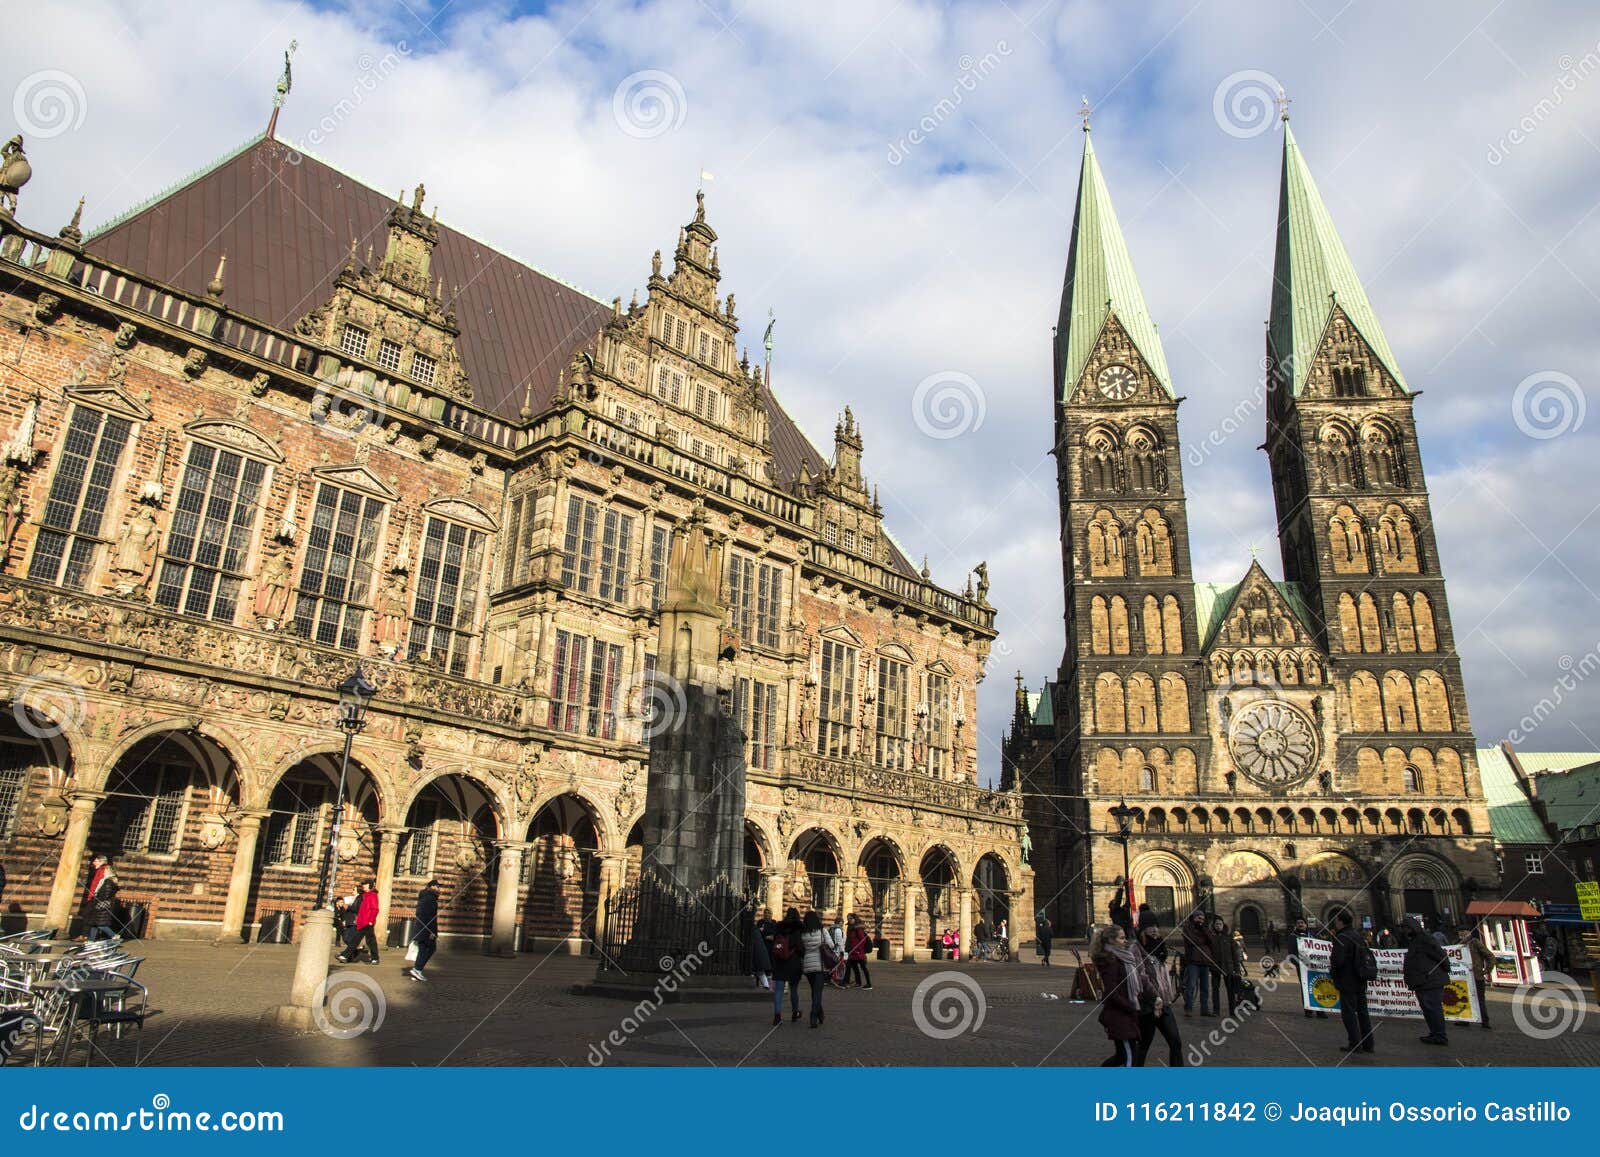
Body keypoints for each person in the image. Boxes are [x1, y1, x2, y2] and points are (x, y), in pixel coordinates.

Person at [1092, 925, 1142, 1066]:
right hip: (1119, 1014)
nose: (1125, 941)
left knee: (1121, 1056)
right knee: (1129, 1058)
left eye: (1125, 937)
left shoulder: (1124, 957)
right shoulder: (1111, 961)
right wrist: (1130, 1006)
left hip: (1125, 1013)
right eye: (1121, 938)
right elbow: (1111, 991)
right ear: (1110, 940)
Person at [1133, 926, 1183, 1067]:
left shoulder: (1161, 947)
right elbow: (1141, 977)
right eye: (1150, 927)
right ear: (1143, 930)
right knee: (1143, 1045)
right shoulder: (1137, 950)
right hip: (1147, 1004)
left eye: (1156, 927)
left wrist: (1164, 998)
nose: (1155, 930)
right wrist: (1155, 997)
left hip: (1164, 1003)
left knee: (1175, 1041)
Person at [1329, 911, 1375, 1053]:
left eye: (1336, 920)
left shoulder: (1341, 937)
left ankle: (1355, 1043)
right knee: (1362, 1012)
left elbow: (1338, 961)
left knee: (1349, 1013)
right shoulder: (1358, 936)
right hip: (1360, 979)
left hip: (1347, 980)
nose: (1335, 923)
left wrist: (1333, 971)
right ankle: (1368, 1044)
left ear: (1340, 922)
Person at [1402, 917, 1450, 1046]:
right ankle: (1435, 1033)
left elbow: (1442, 957)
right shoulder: (1416, 940)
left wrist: (1428, 974)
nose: (1405, 931)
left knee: (1433, 1008)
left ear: (1413, 927)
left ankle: (1440, 1036)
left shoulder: (1425, 939)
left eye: (1406, 928)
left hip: (1430, 981)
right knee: (1428, 1009)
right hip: (1422, 982)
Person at [1286, 917, 1327, 1020]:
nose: (1300, 924)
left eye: (1302, 922)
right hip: (1303, 968)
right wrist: (1299, 964)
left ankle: (1320, 1010)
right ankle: (1308, 1010)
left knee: (1319, 986)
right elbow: (1291, 953)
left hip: (1315, 967)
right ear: (1296, 925)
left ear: (1306, 924)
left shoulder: (1313, 935)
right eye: (1298, 923)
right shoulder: (1293, 936)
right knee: (1306, 988)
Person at [770, 907, 804, 1026]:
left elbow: (775, 944)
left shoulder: (779, 927)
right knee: (794, 989)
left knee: (778, 990)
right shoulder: (799, 928)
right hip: (793, 961)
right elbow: (801, 947)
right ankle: (795, 1012)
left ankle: (777, 1016)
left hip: (780, 962)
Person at [1460, 925, 1496, 1030]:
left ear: (1468, 932)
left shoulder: (1475, 942)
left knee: (1479, 999)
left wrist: (1487, 970)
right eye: (1460, 932)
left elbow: (1490, 956)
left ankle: (1485, 1021)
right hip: (1465, 977)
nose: (1461, 934)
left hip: (1476, 976)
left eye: (1463, 931)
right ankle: (1466, 1019)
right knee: (1465, 998)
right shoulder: (1459, 944)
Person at [1180, 911, 1216, 1017]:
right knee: (1191, 986)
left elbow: (1212, 941)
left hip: (1205, 961)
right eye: (1199, 918)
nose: (1201, 921)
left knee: (1205, 987)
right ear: (1194, 918)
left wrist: (1204, 931)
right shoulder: (1187, 928)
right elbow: (1192, 941)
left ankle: (1204, 1009)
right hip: (1193, 961)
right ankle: (1188, 1008)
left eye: (1203, 919)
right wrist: (1203, 940)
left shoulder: (1205, 929)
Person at [338, 880, 381, 965]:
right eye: (363, 884)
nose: (364, 886)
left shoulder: (373, 895)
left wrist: (371, 921)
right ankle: (346, 956)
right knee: (359, 940)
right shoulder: (363, 895)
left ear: (370, 885)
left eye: (365, 884)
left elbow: (375, 909)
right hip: (362, 921)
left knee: (368, 941)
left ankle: (346, 955)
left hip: (367, 922)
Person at [82, 853, 120, 941]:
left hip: (101, 903)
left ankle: (113, 935)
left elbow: (106, 893)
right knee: (94, 922)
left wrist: (96, 897)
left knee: (100, 923)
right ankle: (91, 941)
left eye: (95, 861)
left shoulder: (108, 881)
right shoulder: (106, 881)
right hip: (99, 902)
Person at [800, 910, 827, 1027]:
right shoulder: (822, 931)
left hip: (807, 966)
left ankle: (820, 1013)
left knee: (815, 991)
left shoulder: (803, 933)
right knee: (817, 992)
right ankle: (813, 1015)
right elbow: (830, 945)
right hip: (820, 965)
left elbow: (801, 948)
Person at [408, 878, 439, 982]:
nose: (438, 888)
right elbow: (429, 917)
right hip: (426, 930)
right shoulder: (430, 898)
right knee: (429, 949)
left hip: (421, 928)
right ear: (430, 887)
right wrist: (431, 932)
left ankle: (416, 971)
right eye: (436, 886)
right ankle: (417, 969)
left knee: (423, 949)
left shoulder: (425, 897)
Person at [1209, 915, 1240, 1016]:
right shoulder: (1211, 937)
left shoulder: (1228, 937)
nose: (1218, 926)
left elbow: (1234, 953)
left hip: (1228, 966)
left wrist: (1237, 969)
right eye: (1216, 924)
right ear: (1213, 926)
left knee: (1230, 990)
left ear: (1223, 925)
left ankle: (1233, 1010)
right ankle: (1216, 1010)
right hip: (1215, 966)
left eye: (1220, 924)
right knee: (1215, 989)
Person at [844, 914, 873, 989]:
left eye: (851, 918)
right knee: (854, 967)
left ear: (854, 919)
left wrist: (857, 950)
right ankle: (858, 982)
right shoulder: (850, 928)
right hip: (852, 952)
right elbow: (849, 940)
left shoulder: (858, 929)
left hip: (858, 952)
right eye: (848, 919)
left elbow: (862, 940)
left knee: (863, 967)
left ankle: (869, 984)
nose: (849, 920)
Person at [824, 915, 846, 987]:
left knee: (832, 966)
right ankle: (834, 979)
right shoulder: (838, 930)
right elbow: (839, 941)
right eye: (842, 922)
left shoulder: (832, 928)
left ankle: (828, 979)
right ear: (840, 922)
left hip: (833, 950)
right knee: (837, 966)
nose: (842, 924)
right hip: (837, 950)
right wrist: (842, 951)